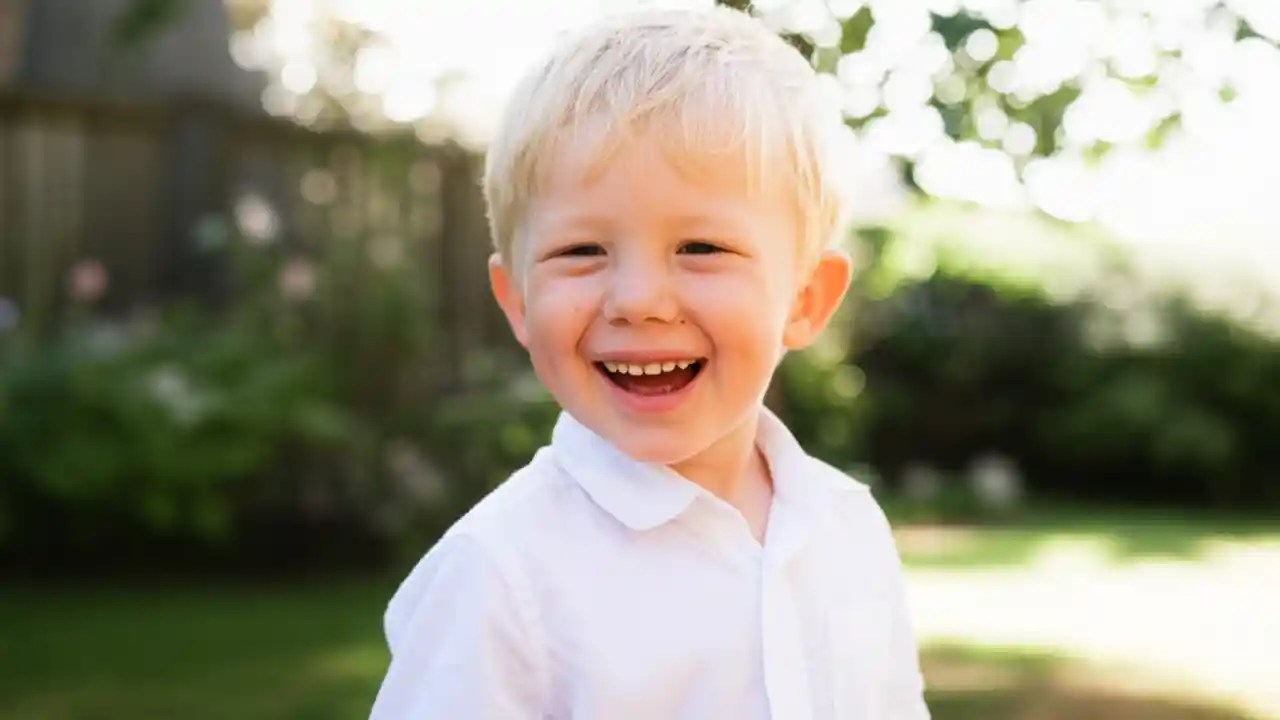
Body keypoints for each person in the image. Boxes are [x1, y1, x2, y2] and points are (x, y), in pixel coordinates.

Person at [370, 6, 929, 719]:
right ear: (516, 302)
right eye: (581, 251)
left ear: (805, 300)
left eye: (701, 248)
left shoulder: (847, 528)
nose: (637, 302)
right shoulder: (500, 576)